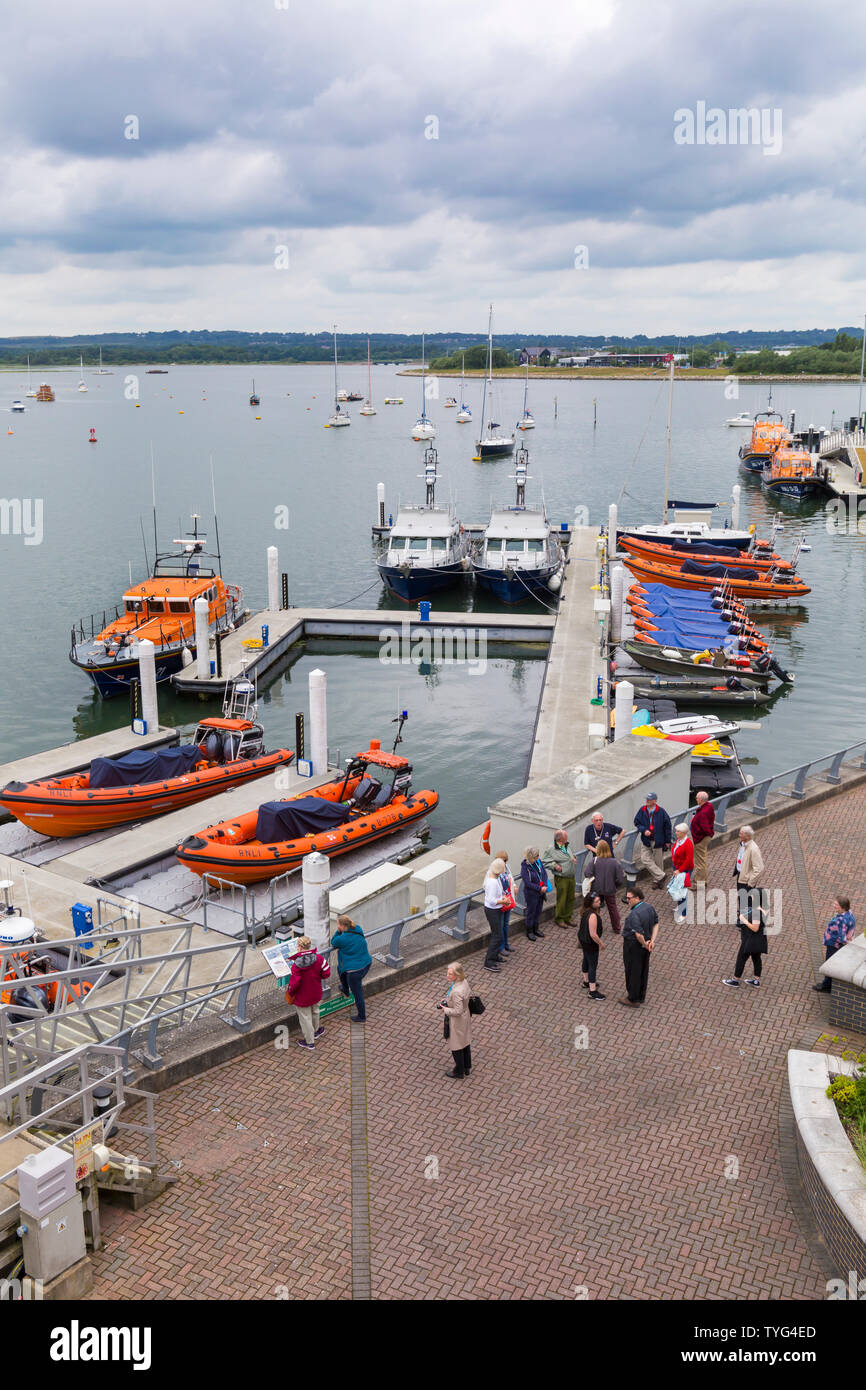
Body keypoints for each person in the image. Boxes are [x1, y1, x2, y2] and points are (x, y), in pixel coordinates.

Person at [286, 935, 331, 1050]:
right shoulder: (319, 958)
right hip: (316, 992)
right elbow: (326, 973)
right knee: (315, 1011)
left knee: (305, 1018)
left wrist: (290, 992)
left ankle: (310, 1042)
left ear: (300, 947)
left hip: (302, 996)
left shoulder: (296, 965)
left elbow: (295, 984)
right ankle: (316, 1031)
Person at [619, 886, 659, 1006]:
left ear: (637, 898)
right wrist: (651, 941)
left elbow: (638, 934)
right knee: (643, 969)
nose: (627, 901)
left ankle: (633, 998)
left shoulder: (634, 915)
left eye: (629, 898)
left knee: (632, 971)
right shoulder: (649, 908)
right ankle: (641, 995)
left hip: (634, 946)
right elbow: (656, 924)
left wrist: (644, 944)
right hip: (646, 944)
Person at [330, 914, 373, 1022]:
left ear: (342, 926)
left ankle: (362, 1016)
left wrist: (338, 931)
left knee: (358, 994)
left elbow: (334, 942)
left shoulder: (342, 939)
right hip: (366, 963)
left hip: (355, 971)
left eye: (338, 924)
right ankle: (345, 988)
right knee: (340, 970)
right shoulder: (357, 928)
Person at [723, 888, 768, 988]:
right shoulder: (763, 908)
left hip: (751, 940)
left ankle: (735, 980)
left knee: (741, 958)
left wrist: (744, 920)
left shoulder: (756, 912)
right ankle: (756, 980)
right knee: (756, 958)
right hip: (760, 939)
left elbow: (755, 928)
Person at [813, 895, 856, 993]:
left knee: (829, 965)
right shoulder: (850, 914)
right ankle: (829, 984)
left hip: (834, 945)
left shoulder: (841, 920)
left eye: (836, 904)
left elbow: (841, 936)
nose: (834, 905)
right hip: (839, 945)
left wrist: (842, 941)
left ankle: (826, 986)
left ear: (843, 907)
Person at [437, 962, 472, 1078]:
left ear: (457, 975)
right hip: (465, 1017)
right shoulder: (464, 982)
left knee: (456, 1046)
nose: (447, 976)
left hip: (457, 1022)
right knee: (465, 1043)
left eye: (450, 974)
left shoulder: (457, 992)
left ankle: (459, 1071)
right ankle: (467, 1067)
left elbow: (457, 1011)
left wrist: (445, 1009)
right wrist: (448, 999)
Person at [633, 791, 671, 888]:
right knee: (645, 859)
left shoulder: (661, 811)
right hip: (646, 840)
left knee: (659, 862)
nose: (647, 800)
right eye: (646, 799)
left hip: (658, 841)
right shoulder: (642, 810)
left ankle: (658, 881)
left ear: (655, 801)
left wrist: (667, 841)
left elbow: (667, 827)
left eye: (649, 799)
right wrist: (643, 830)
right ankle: (662, 876)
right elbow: (637, 822)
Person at [542, 830, 577, 928]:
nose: (567, 838)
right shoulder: (551, 849)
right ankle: (559, 918)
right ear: (561, 839)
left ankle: (568, 917)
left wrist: (573, 858)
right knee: (562, 898)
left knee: (571, 897)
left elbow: (570, 854)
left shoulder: (566, 845)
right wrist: (555, 866)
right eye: (566, 837)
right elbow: (545, 862)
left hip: (571, 876)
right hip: (562, 878)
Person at [587, 840, 623, 933]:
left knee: (595, 909)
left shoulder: (594, 861)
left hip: (596, 889)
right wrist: (614, 886)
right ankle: (617, 928)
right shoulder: (614, 862)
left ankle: (595, 928)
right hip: (610, 889)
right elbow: (620, 879)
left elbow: (587, 874)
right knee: (613, 909)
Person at [577, 891, 606, 999]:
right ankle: (592, 991)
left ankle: (586, 981)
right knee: (592, 965)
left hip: (584, 941)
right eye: (597, 901)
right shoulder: (593, 916)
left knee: (586, 959)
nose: (599, 902)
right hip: (590, 943)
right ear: (591, 903)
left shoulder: (585, 912)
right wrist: (601, 944)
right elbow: (593, 934)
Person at [483, 858, 508, 971]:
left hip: (493, 909)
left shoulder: (493, 878)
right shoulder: (493, 882)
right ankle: (489, 961)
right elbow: (492, 900)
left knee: (497, 934)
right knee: (497, 935)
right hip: (493, 910)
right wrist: (503, 901)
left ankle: (494, 956)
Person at [520, 847, 548, 942]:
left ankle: (536, 929)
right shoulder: (525, 867)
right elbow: (527, 883)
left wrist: (544, 884)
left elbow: (544, 873)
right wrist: (540, 888)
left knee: (538, 911)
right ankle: (529, 931)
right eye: (536, 856)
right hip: (531, 894)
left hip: (540, 892)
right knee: (531, 912)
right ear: (531, 857)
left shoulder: (538, 862)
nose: (538, 857)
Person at [733, 826, 763, 908]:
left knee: (747, 901)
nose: (739, 835)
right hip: (741, 876)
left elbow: (759, 868)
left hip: (746, 881)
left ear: (747, 836)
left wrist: (751, 883)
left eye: (741, 834)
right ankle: (742, 916)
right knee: (741, 898)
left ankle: (746, 918)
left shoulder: (753, 849)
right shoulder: (743, 845)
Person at [670, 822, 694, 923]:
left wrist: (679, 870)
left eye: (678, 831)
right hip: (678, 868)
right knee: (678, 889)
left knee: (682, 891)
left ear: (683, 832)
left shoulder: (688, 843)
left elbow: (688, 861)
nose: (676, 833)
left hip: (684, 870)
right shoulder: (679, 840)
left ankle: (683, 913)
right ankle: (680, 906)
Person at [690, 791, 715, 885]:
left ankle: (699, 883)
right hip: (704, 837)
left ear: (700, 799)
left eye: (696, 798)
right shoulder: (709, 806)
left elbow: (705, 828)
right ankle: (702, 880)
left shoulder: (703, 813)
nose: (696, 799)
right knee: (702, 859)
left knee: (700, 862)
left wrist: (709, 834)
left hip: (700, 839)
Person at [497, 850, 518, 955]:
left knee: (505, 924)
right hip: (501, 901)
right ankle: (501, 947)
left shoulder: (507, 868)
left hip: (508, 900)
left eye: (505, 861)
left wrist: (514, 886)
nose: (504, 863)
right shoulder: (494, 870)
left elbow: (511, 879)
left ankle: (506, 944)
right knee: (500, 925)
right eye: (503, 861)